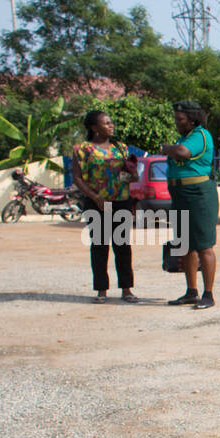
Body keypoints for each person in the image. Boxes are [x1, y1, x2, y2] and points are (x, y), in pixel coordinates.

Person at [71, 111, 138, 303]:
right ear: (94, 127)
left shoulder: (121, 148)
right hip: (97, 203)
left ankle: (127, 289)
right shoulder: (82, 150)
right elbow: (77, 177)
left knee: (123, 246)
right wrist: (94, 197)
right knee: (100, 246)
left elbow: (126, 175)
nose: (111, 125)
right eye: (106, 123)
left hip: (121, 201)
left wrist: (132, 176)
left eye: (111, 122)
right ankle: (101, 290)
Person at [163, 101, 219, 309]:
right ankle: (191, 292)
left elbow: (182, 153)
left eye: (180, 119)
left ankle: (208, 294)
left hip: (198, 194)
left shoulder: (200, 135)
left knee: (204, 245)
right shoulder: (184, 137)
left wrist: (166, 148)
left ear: (192, 118)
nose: (177, 123)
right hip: (180, 194)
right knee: (185, 244)